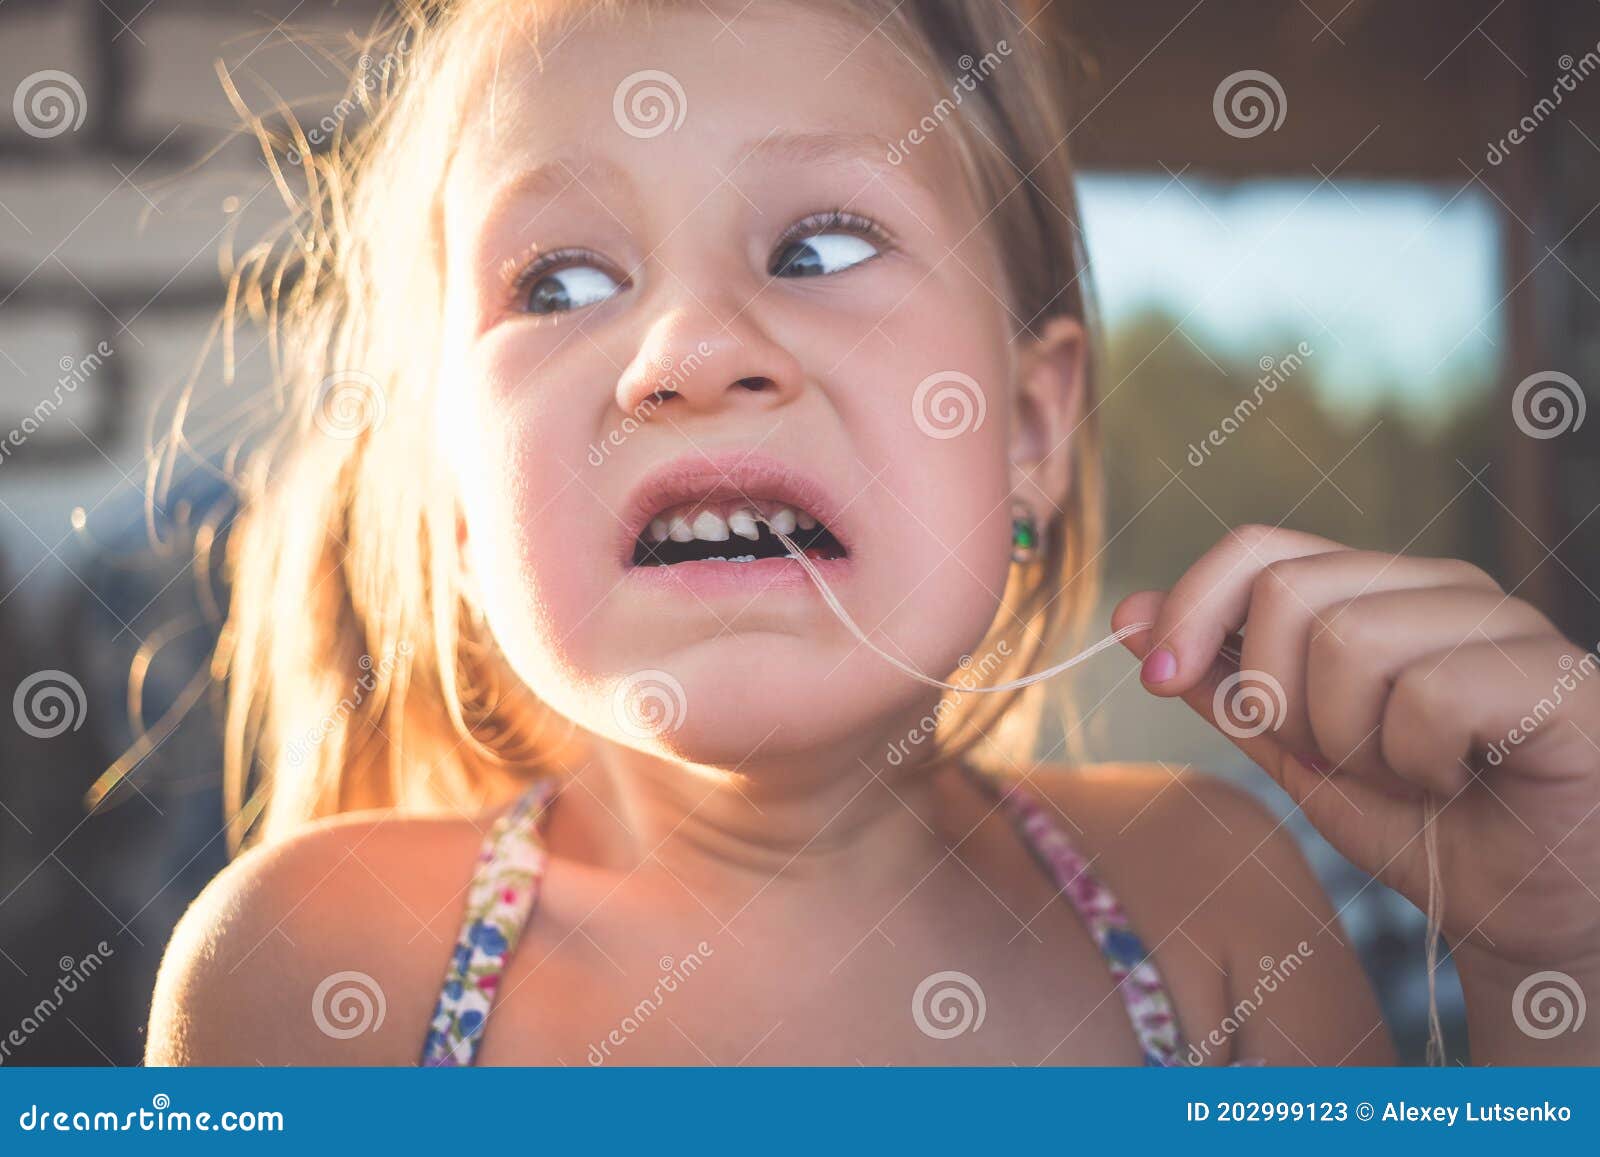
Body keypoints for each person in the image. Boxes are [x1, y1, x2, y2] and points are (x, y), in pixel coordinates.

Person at [144, 0, 1599, 1066]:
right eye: (561, 282)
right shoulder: (313, 963)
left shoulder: (1208, 899)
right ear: (455, 503)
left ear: (1029, 430)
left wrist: (1549, 960)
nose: (694, 348)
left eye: (820, 248)